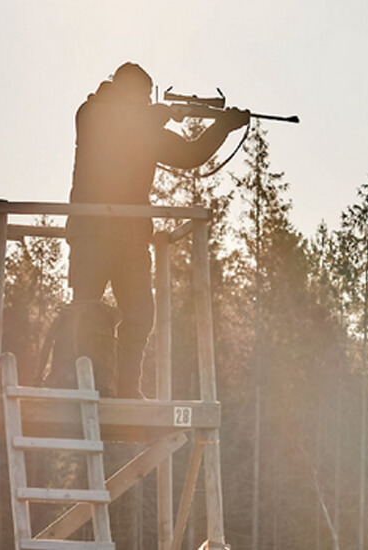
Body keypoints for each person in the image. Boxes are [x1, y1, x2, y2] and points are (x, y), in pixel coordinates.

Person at [62, 62, 248, 398]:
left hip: (132, 237)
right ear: (123, 92)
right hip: (92, 231)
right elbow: (117, 127)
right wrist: (160, 114)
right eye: (142, 97)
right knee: (85, 311)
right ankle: (82, 386)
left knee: (140, 314)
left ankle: (127, 389)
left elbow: (190, 155)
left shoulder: (143, 127)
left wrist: (222, 127)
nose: (146, 103)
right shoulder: (92, 113)